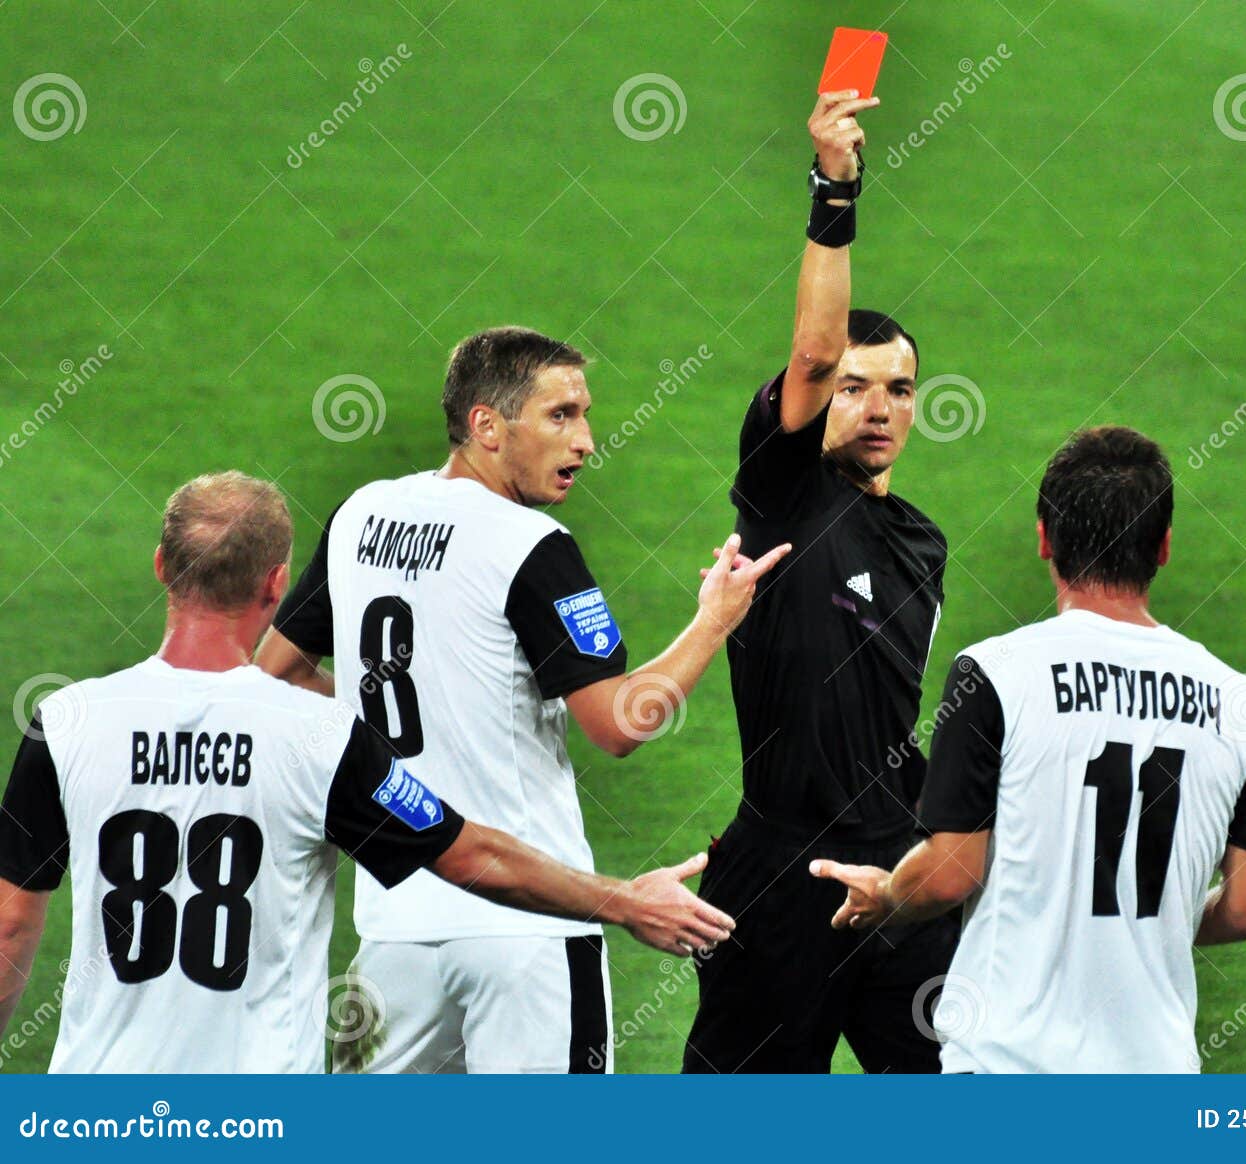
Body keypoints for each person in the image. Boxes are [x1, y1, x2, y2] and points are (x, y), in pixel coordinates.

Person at [0, 472, 734, 1073]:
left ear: (161, 566)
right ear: (275, 583)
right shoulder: (322, 742)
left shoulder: (64, 725)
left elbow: (8, 930)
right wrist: (625, 902)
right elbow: (474, 855)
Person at [255, 328, 787, 1073]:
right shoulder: (531, 544)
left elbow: (274, 673)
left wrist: (380, 743)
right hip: (529, 929)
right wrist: (713, 621)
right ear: (486, 425)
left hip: (394, 932)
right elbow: (620, 724)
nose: (587, 441)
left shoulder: (361, 516)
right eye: (561, 415)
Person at [811, 426, 1246, 1073]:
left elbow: (951, 871)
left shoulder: (997, 675)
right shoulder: (1240, 705)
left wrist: (889, 894)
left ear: (1044, 538)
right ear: (1164, 547)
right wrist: (1143, 924)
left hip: (1012, 1070)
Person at [681, 89, 957, 1074]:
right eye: (853, 386)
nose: (877, 408)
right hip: (779, 873)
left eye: (898, 389)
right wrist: (833, 189)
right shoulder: (783, 492)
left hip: (895, 863)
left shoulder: (921, 541)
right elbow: (808, 345)